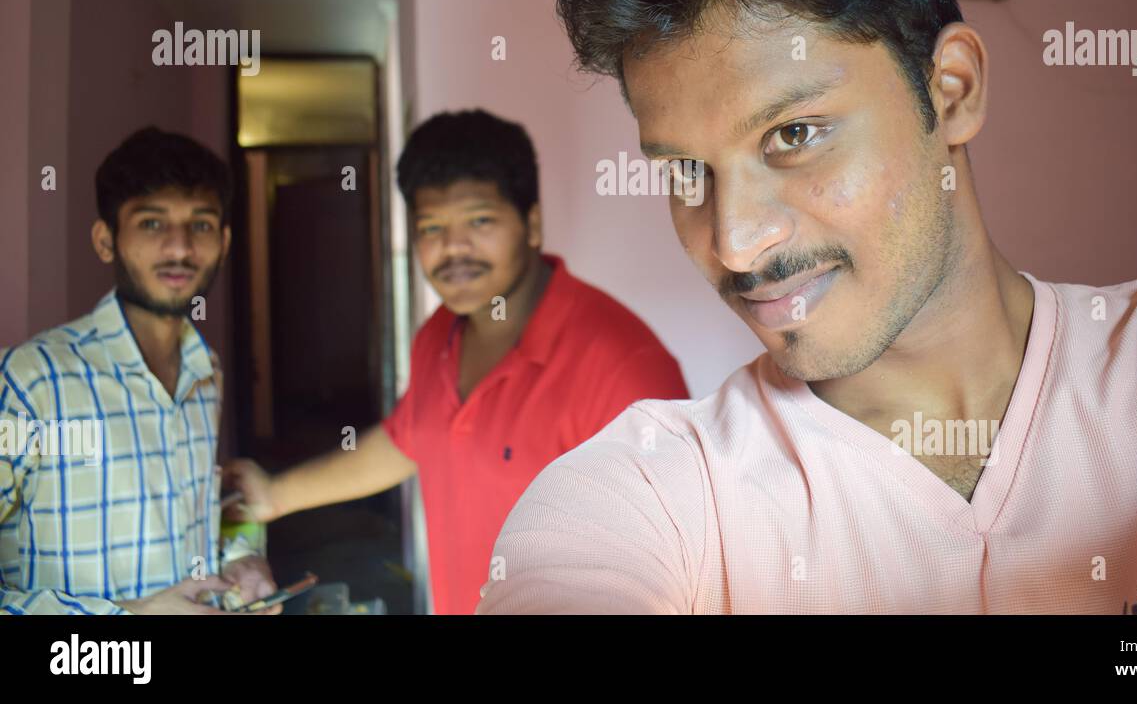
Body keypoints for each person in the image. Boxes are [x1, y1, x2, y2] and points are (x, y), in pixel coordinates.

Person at [476, 0, 1137, 614]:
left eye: (793, 135)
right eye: (688, 171)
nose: (734, 241)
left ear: (950, 92)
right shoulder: (652, 493)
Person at [226, 109, 689, 614]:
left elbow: (673, 573)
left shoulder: (624, 368)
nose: (453, 248)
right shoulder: (438, 336)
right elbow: (412, 439)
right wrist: (276, 494)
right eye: (431, 227)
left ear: (532, 224)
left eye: (479, 221)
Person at [0, 127, 276, 614]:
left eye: (202, 224)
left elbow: (195, 518)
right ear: (106, 240)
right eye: (151, 224)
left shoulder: (204, 372)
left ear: (225, 241)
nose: (179, 248)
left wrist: (242, 561)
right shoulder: (31, 380)